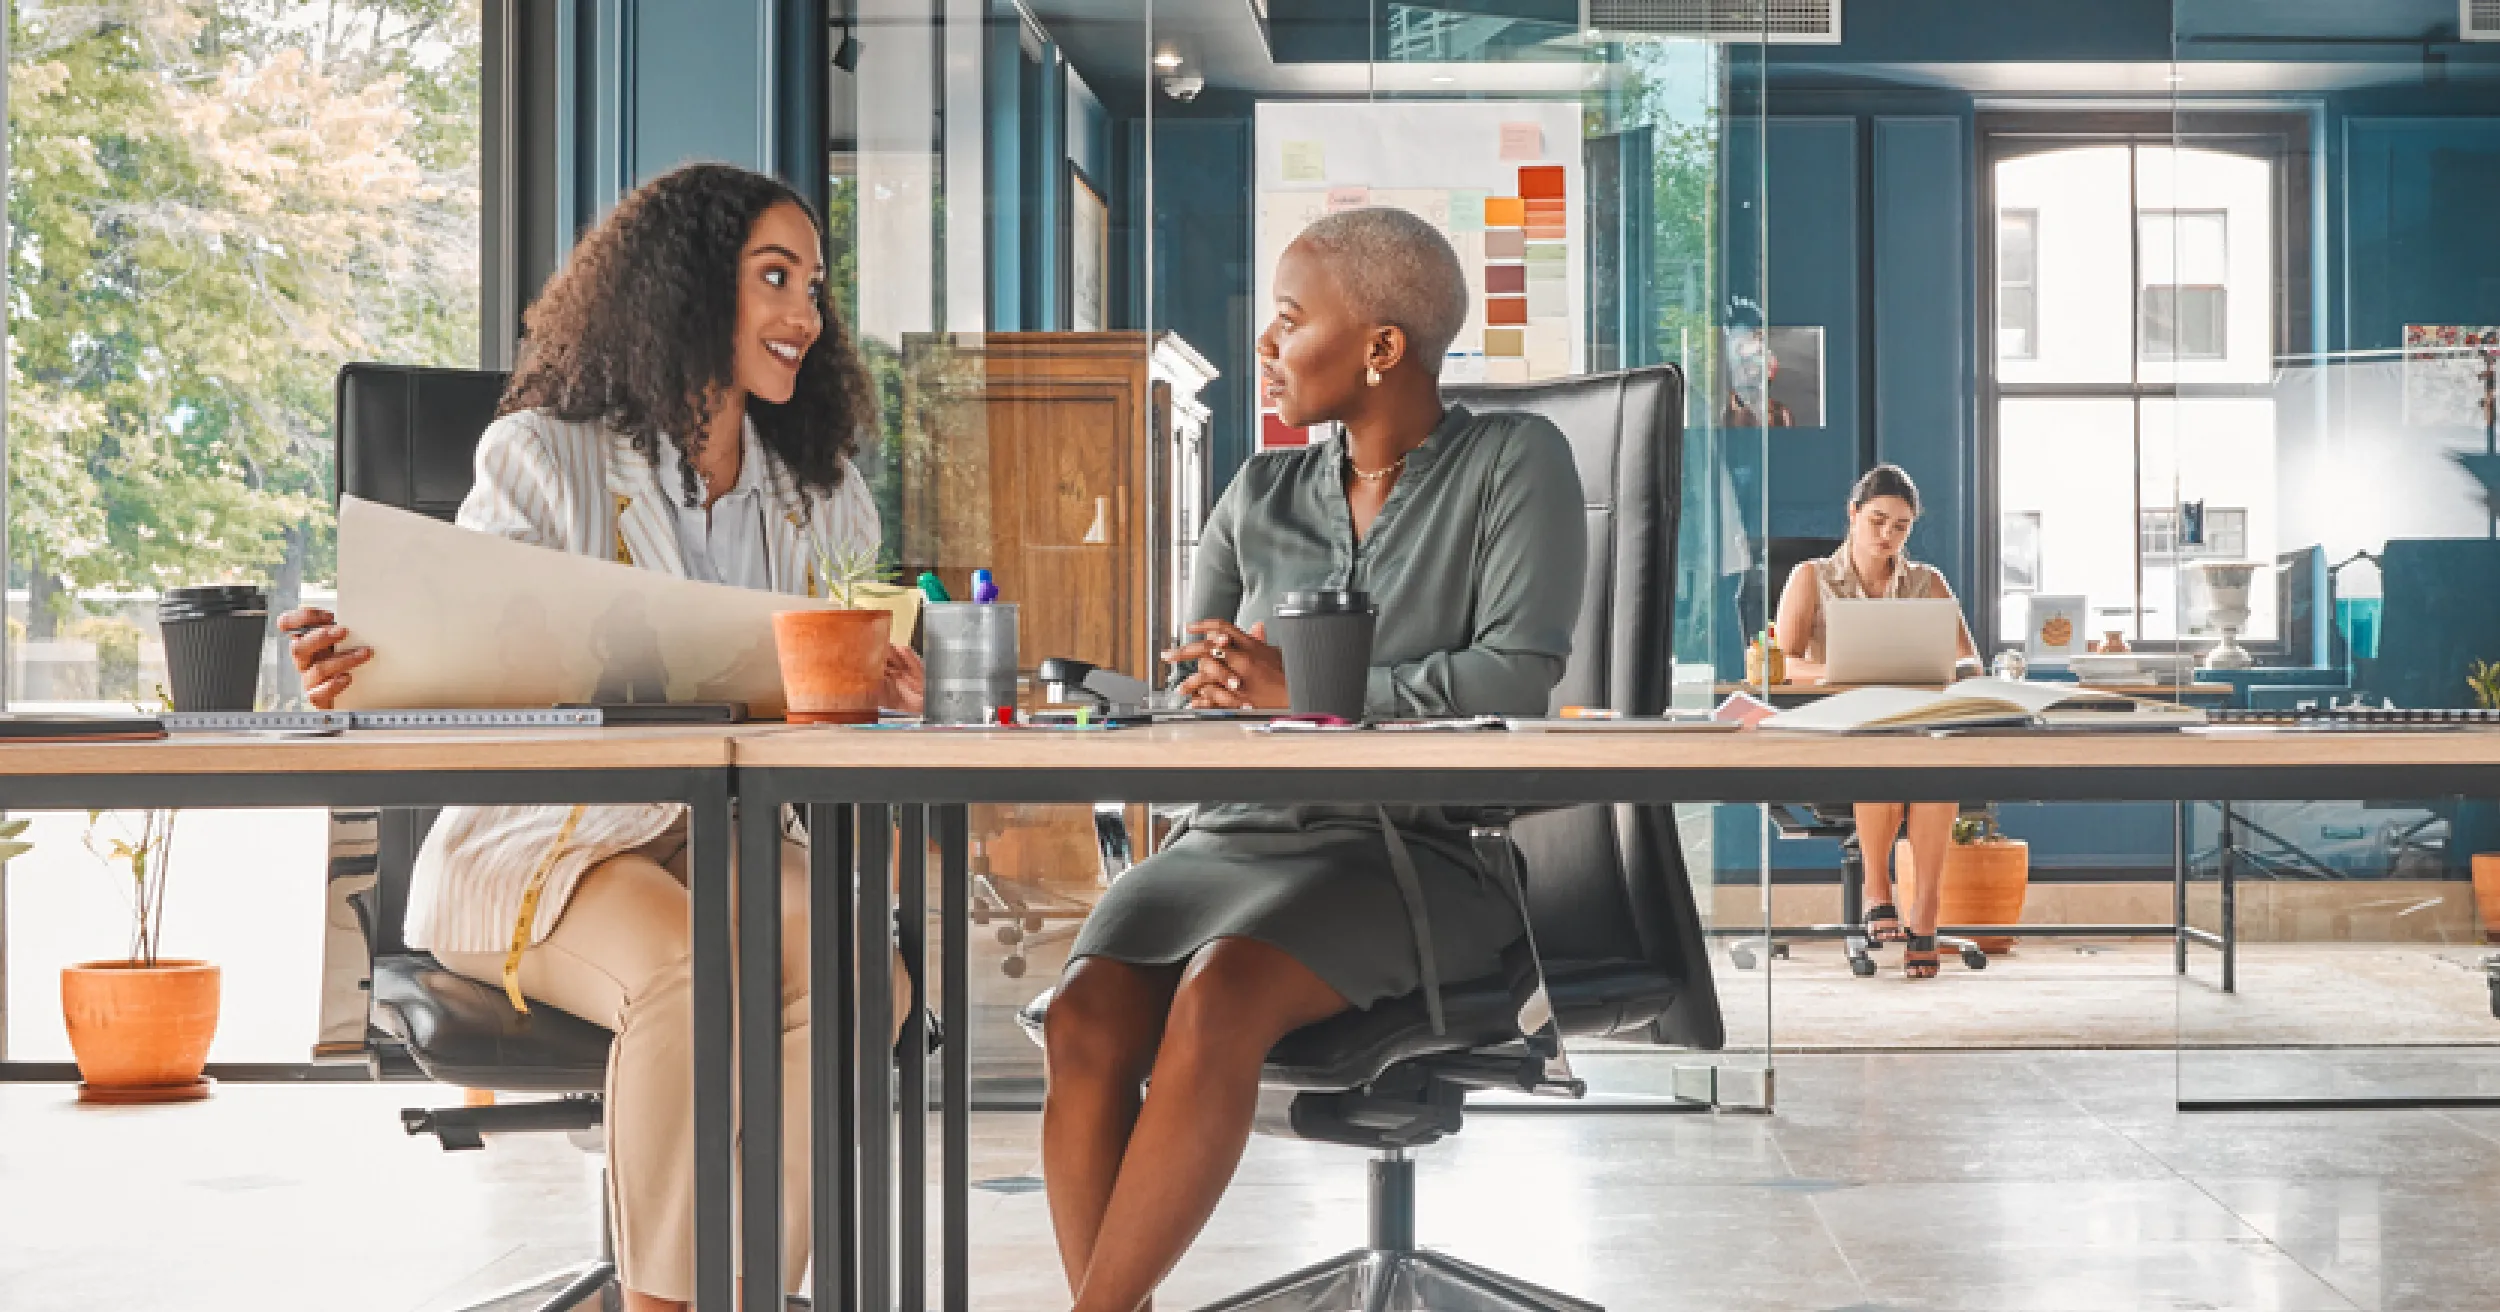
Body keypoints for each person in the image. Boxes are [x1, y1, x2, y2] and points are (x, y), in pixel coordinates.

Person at [281, 162, 920, 1311]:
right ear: (684, 289)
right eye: (773, 279)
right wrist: (359, 663)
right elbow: (454, 647)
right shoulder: (542, 455)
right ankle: (662, 1302)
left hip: (712, 835)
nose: (804, 317)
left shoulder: (819, 493)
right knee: (689, 971)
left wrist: (884, 685)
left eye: (814, 288)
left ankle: (750, 1289)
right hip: (541, 842)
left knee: (859, 972)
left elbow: (830, 685)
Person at [1038, 207, 1587, 1312]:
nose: (1265, 347)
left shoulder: (1511, 463)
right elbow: (1201, 685)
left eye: (1289, 321)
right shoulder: (1258, 490)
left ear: (1382, 347)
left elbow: (1512, 684)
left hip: (1414, 850)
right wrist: (1190, 699)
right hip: (1233, 833)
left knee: (1221, 989)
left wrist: (1314, 693)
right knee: (1086, 1012)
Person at [1774, 463, 1978, 979]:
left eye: (1901, 526)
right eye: (1878, 521)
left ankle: (1924, 916)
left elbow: (1969, 661)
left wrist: (1947, 673)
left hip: (1914, 727)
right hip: (1842, 732)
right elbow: (1781, 663)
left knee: (1931, 761)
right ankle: (1876, 890)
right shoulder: (1812, 578)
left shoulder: (1928, 583)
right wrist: (1833, 675)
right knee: (1881, 747)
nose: (1888, 535)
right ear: (1853, 514)